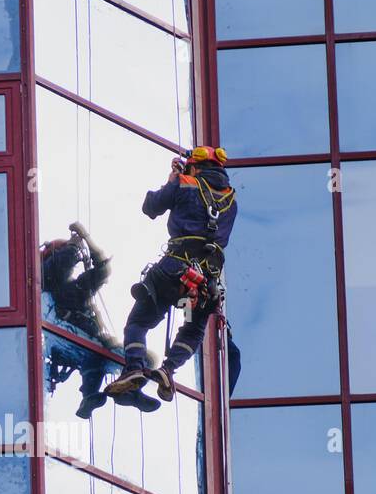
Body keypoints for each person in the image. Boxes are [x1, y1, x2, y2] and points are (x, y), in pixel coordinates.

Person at [106, 145, 241, 402]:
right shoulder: (232, 200)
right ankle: (168, 369)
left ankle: (134, 367)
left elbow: (151, 207)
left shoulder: (184, 182)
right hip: (203, 285)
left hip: (173, 273)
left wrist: (172, 180)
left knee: (139, 322)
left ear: (194, 166)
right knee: (192, 328)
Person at [41, 223, 159, 417]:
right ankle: (115, 392)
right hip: (74, 340)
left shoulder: (67, 290)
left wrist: (81, 242)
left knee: (135, 358)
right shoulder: (64, 288)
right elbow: (99, 268)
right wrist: (79, 242)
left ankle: (122, 391)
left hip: (77, 343)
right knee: (96, 352)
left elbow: (100, 268)